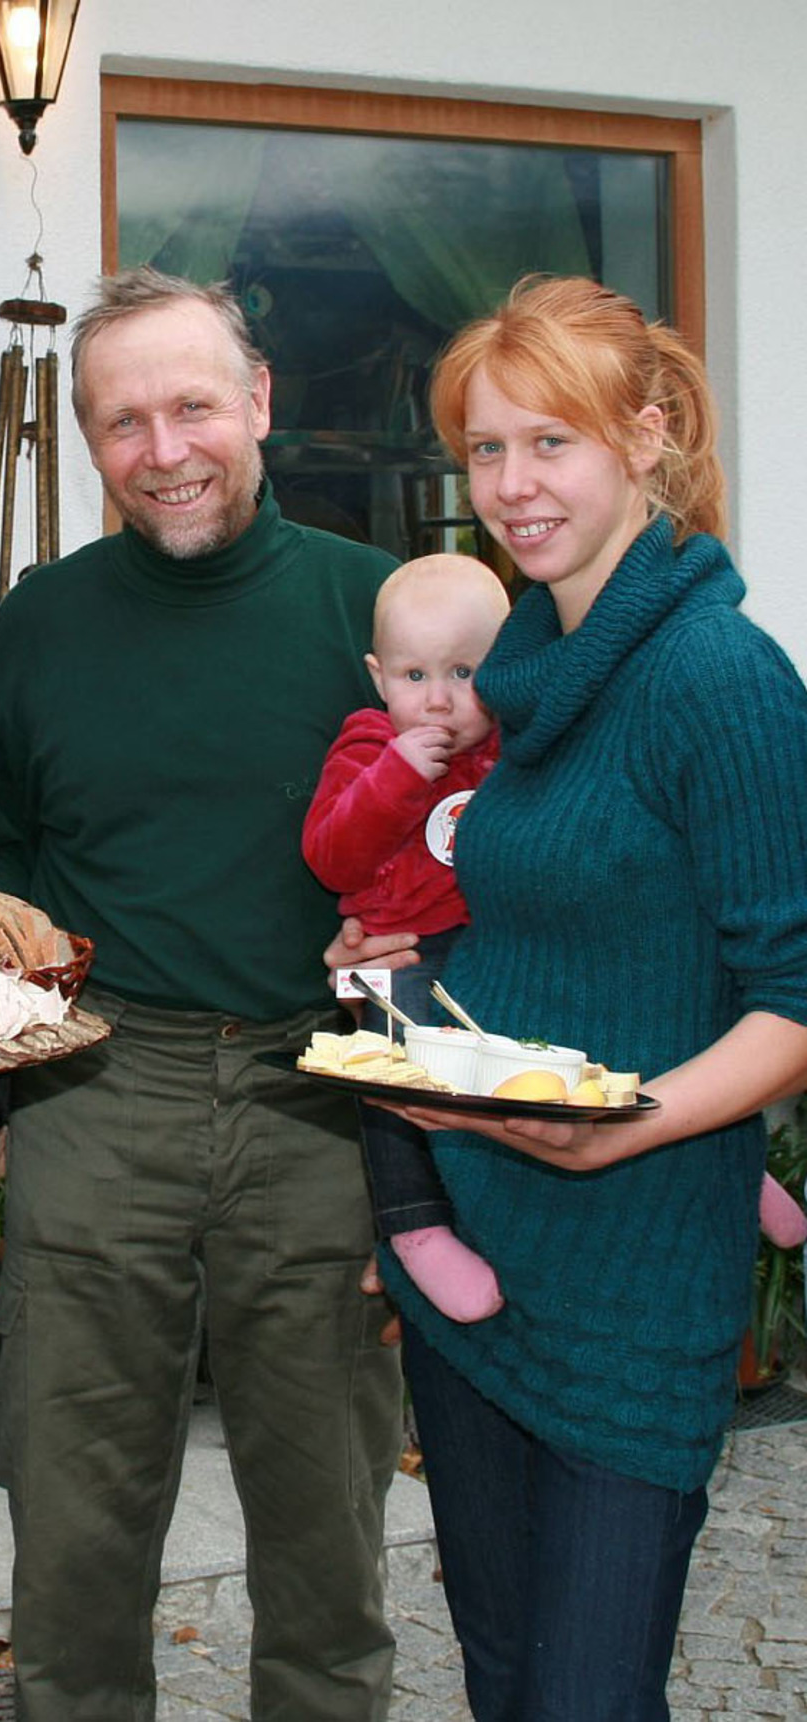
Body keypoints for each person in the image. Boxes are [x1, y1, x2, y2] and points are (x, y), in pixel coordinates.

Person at [0, 266, 402, 1720]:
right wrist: (13, 1081)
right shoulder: (44, 618)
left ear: (261, 401)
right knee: (75, 1520)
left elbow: (468, 842)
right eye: (124, 420)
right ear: (92, 441)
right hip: (102, 1086)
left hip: (324, 1092)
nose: (166, 448)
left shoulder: (375, 606)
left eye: (194, 404)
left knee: (328, 1516)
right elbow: (4, 857)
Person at [372, 275, 807, 1719]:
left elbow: (793, 1000)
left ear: (649, 433)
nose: (510, 484)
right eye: (485, 450)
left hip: (635, 1268)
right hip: (482, 1251)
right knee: (504, 1679)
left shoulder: (719, 675)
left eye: (548, 441)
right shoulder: (534, 676)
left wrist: (628, 1125)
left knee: (586, 1696)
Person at [304, 553, 511, 1323]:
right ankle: (415, 1227)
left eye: (464, 672)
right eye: (415, 676)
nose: (440, 701)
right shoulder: (366, 748)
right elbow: (330, 857)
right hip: (397, 955)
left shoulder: (504, 751)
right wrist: (395, 777)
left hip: (490, 946)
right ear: (378, 675)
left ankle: (708, 1151)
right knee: (396, 1082)